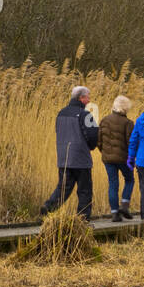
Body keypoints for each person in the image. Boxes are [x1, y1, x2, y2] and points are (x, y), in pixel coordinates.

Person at [41, 85, 100, 219]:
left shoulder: (61, 113)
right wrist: (91, 147)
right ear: (81, 98)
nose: (89, 100)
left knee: (63, 188)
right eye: (88, 97)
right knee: (85, 190)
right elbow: (93, 135)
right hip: (80, 159)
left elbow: (58, 132)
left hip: (64, 157)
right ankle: (83, 217)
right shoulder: (85, 114)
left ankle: (48, 207)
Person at [98, 95, 136, 222]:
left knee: (113, 184)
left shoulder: (104, 120)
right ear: (126, 108)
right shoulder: (128, 123)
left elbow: (99, 141)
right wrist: (132, 158)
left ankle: (114, 214)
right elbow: (131, 142)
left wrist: (105, 152)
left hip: (108, 159)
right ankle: (124, 206)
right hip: (124, 159)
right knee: (129, 180)